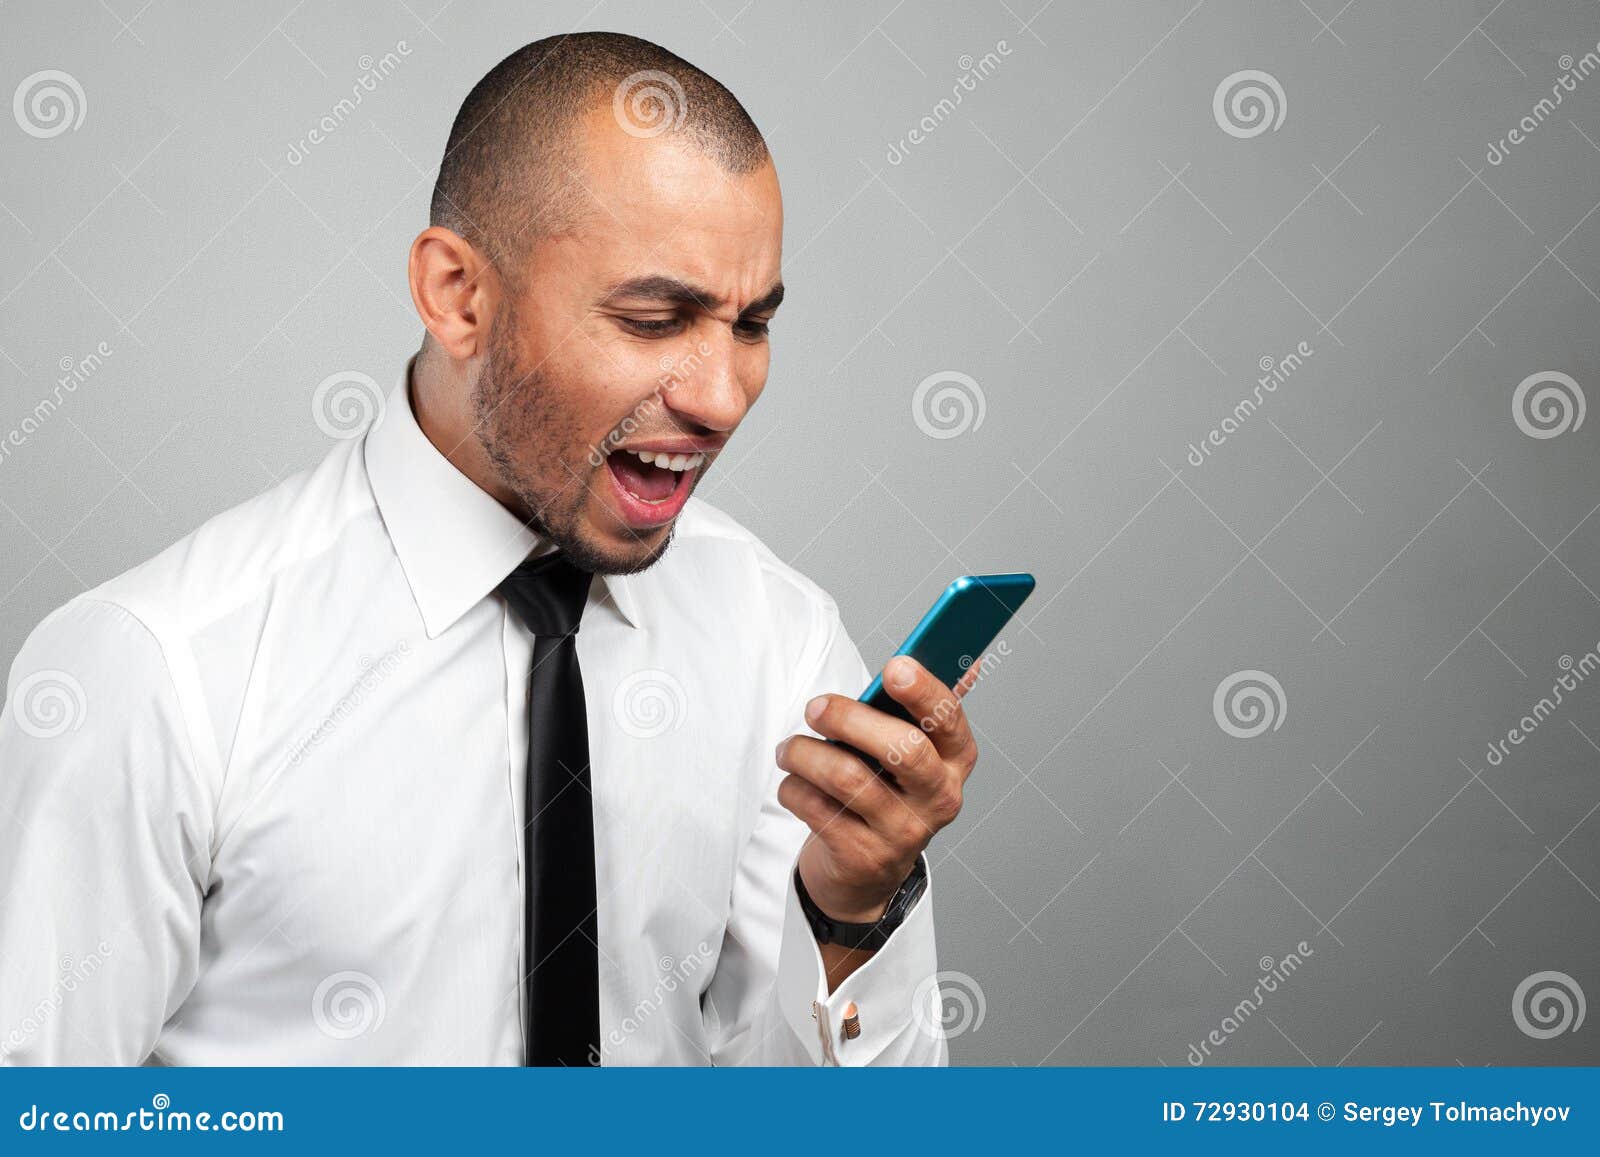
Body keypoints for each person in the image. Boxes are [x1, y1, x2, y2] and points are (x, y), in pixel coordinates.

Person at [0, 31, 985, 1066]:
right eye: (655, 318)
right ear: (459, 296)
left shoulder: (776, 637)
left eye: (751, 324)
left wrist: (851, 911)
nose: (722, 395)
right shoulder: (155, 666)